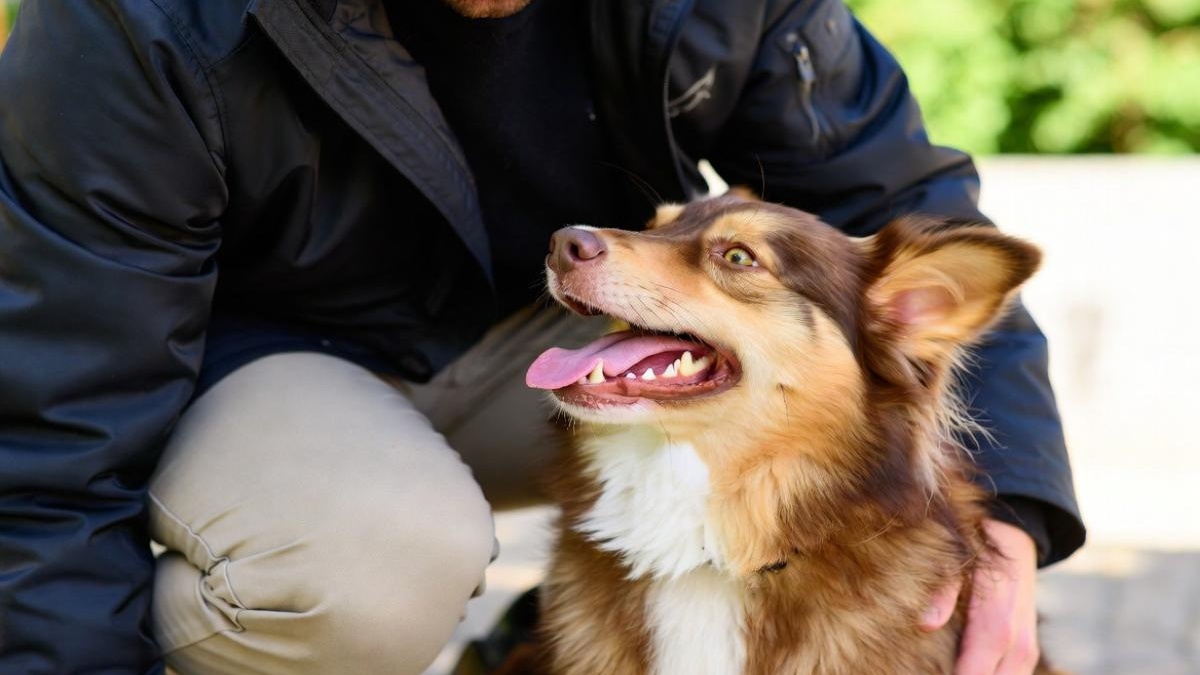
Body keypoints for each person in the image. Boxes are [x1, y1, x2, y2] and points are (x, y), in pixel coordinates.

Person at [0, 0, 1085, 673]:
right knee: (361, 569)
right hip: (260, 371)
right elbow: (56, 416)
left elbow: (903, 218)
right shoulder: (134, 18)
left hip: (562, 348)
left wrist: (1012, 517)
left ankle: (561, 632)